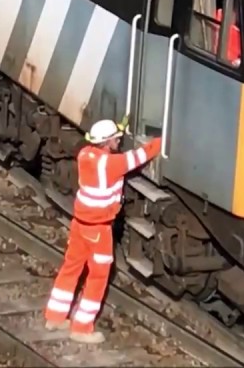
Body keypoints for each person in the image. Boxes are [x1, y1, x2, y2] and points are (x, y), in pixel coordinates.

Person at [43, 119, 162, 343]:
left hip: (79, 224)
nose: (119, 141)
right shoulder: (113, 164)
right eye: (116, 139)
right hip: (99, 230)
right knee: (98, 276)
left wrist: (118, 128)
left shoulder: (85, 154)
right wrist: (162, 141)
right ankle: (81, 328)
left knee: (71, 268)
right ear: (107, 142)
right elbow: (142, 155)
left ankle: (55, 317)